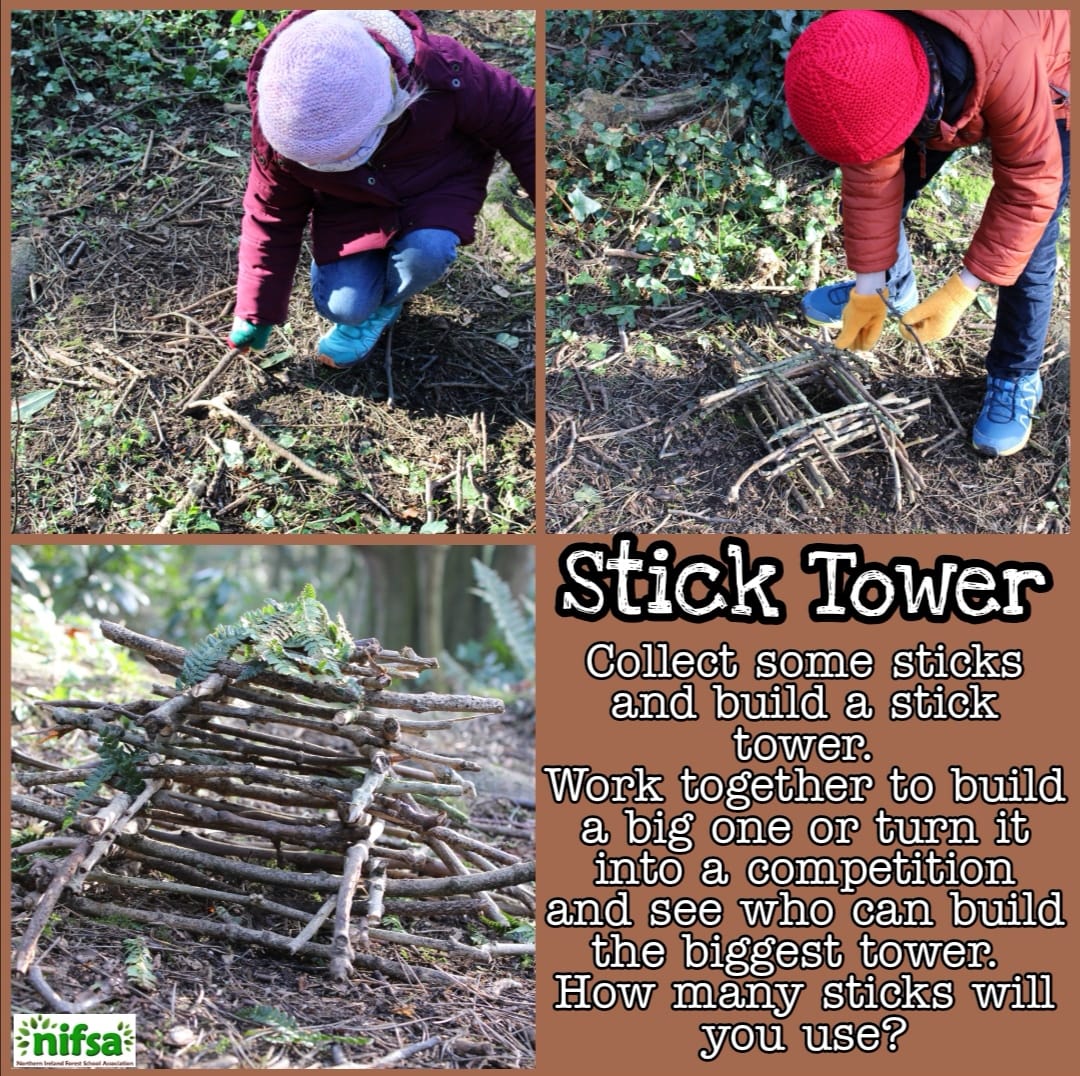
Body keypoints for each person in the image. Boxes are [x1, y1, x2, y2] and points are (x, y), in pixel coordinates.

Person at [783, 10, 1070, 457]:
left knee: (1030, 249)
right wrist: (868, 284)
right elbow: (871, 176)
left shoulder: (1011, 51)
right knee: (893, 186)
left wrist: (963, 289)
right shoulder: (863, 48)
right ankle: (892, 291)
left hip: (1050, 75)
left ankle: (1015, 374)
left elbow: (1031, 187)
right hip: (939, 69)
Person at [229, 10, 535, 370]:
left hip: (435, 187)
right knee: (343, 306)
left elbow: (520, 116)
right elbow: (271, 217)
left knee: (428, 252)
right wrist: (256, 309)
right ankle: (369, 293)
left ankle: (389, 302)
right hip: (351, 208)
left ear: (387, 103)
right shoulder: (280, 126)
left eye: (346, 153)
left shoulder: (442, 71)